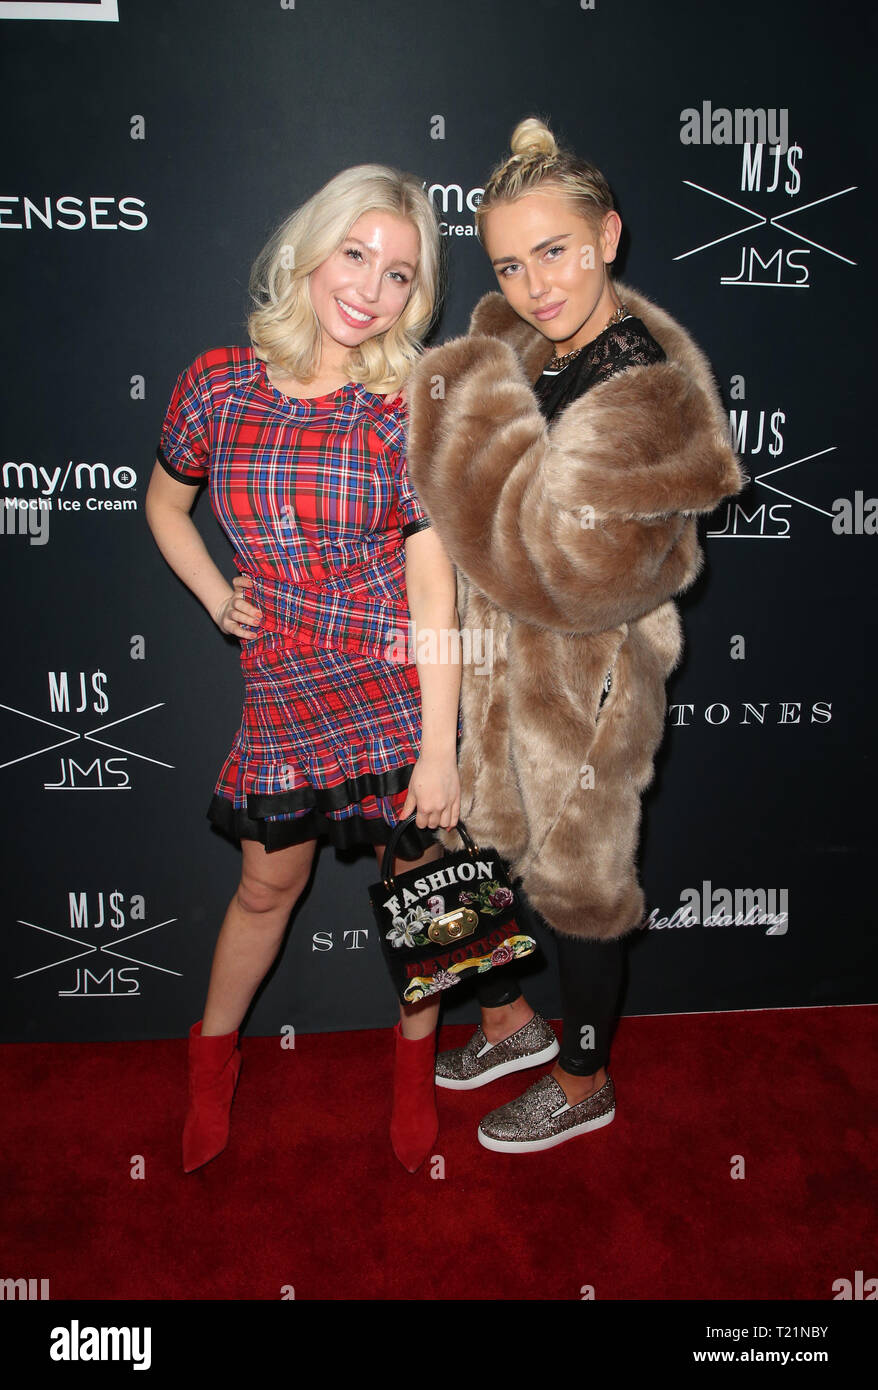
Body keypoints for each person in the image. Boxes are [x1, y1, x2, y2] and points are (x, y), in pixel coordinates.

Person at [404, 117, 746, 1153]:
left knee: (578, 887)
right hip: (483, 656)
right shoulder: (517, 338)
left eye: (552, 252)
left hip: (579, 683)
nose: (532, 284)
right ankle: (506, 1021)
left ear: (606, 236)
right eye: (508, 262)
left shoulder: (647, 400)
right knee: (443, 843)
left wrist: (455, 405)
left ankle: (584, 1075)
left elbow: (559, 574)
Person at [145, 164, 461, 1175]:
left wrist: (440, 748)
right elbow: (162, 503)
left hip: (394, 687)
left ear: (417, 297)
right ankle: (210, 1064)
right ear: (309, 250)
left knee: (421, 890)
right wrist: (214, 594)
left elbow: (432, 593)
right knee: (263, 886)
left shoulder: (407, 407)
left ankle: (415, 1075)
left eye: (400, 274)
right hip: (284, 687)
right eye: (356, 253)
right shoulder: (218, 386)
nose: (370, 285)